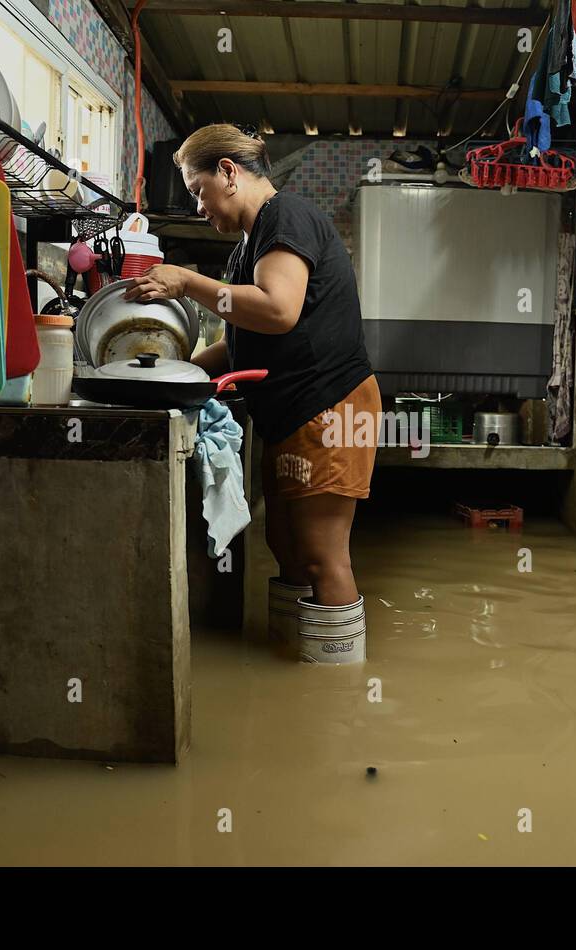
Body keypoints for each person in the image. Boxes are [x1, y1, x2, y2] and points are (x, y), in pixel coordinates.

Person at [123, 123, 379, 663]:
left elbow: (279, 310)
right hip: (293, 412)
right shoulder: (247, 247)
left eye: (198, 191)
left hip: (330, 405)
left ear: (228, 173)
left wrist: (188, 283)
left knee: (320, 555)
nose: (198, 207)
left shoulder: (288, 217)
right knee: (284, 546)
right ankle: (295, 664)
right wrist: (177, 372)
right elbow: (241, 342)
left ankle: (336, 694)